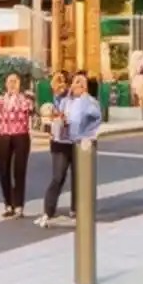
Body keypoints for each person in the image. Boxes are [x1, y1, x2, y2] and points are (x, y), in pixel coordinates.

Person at [37, 72, 103, 228]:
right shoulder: (65, 100)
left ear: (86, 87)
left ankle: (77, 209)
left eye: (80, 82)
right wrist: (57, 116)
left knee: (79, 178)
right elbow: (54, 108)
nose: (76, 85)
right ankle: (48, 211)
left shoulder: (90, 102)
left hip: (81, 144)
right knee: (58, 177)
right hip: (61, 142)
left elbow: (96, 117)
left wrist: (85, 97)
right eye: (74, 82)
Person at [0, 72, 34, 218]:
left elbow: (30, 114)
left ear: (19, 84)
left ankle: (19, 205)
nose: (12, 84)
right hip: (3, 136)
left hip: (20, 135)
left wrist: (19, 97)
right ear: (5, 84)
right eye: (10, 81)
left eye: (15, 81)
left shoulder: (25, 100)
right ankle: (8, 204)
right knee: (4, 170)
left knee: (20, 170)